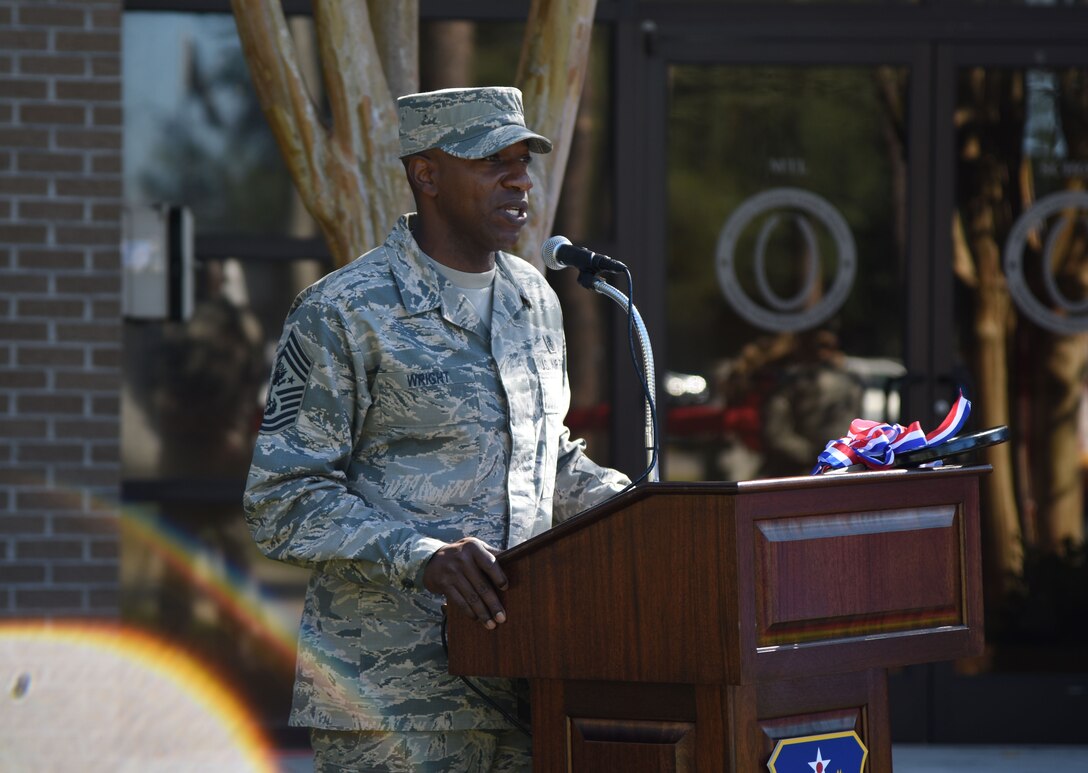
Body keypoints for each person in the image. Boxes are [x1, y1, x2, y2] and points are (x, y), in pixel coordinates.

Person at [244, 86, 631, 772]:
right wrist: (422, 554)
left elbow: (548, 459)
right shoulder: (343, 309)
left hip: (528, 685)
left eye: (524, 160)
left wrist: (645, 510)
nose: (520, 180)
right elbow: (283, 502)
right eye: (492, 161)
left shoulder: (534, 296)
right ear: (426, 173)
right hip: (394, 701)